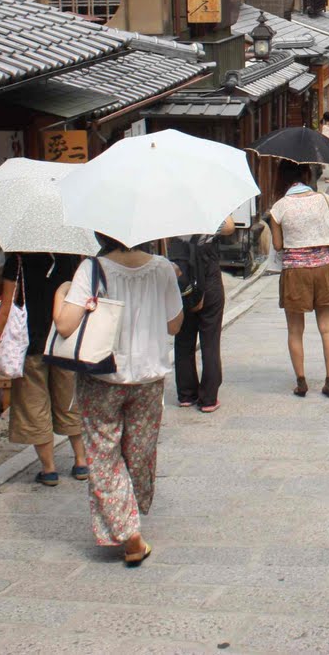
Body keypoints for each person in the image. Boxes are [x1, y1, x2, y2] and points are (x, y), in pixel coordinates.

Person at [56, 235, 182, 566]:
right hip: (149, 378)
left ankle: (128, 532)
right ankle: (129, 515)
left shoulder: (91, 269)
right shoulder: (164, 269)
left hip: (102, 377)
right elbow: (175, 324)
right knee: (139, 454)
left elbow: (65, 325)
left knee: (103, 455)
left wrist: (62, 292)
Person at [0, 251, 86, 485]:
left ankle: (49, 469)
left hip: (30, 343)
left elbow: (5, 311)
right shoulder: (70, 256)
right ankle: (81, 462)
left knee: (33, 403)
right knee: (71, 400)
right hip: (64, 341)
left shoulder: (18, 259)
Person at [269, 163, 329, 398]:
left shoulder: (278, 208)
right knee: (327, 327)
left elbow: (278, 245)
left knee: (295, 330)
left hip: (295, 272)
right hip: (324, 268)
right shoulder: (323, 199)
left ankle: (301, 382)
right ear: (307, 175)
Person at [168, 218, 236, 412]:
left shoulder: (172, 212)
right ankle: (208, 398)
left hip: (184, 280)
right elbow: (230, 227)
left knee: (183, 339)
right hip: (209, 279)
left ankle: (187, 394)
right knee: (210, 340)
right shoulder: (209, 206)